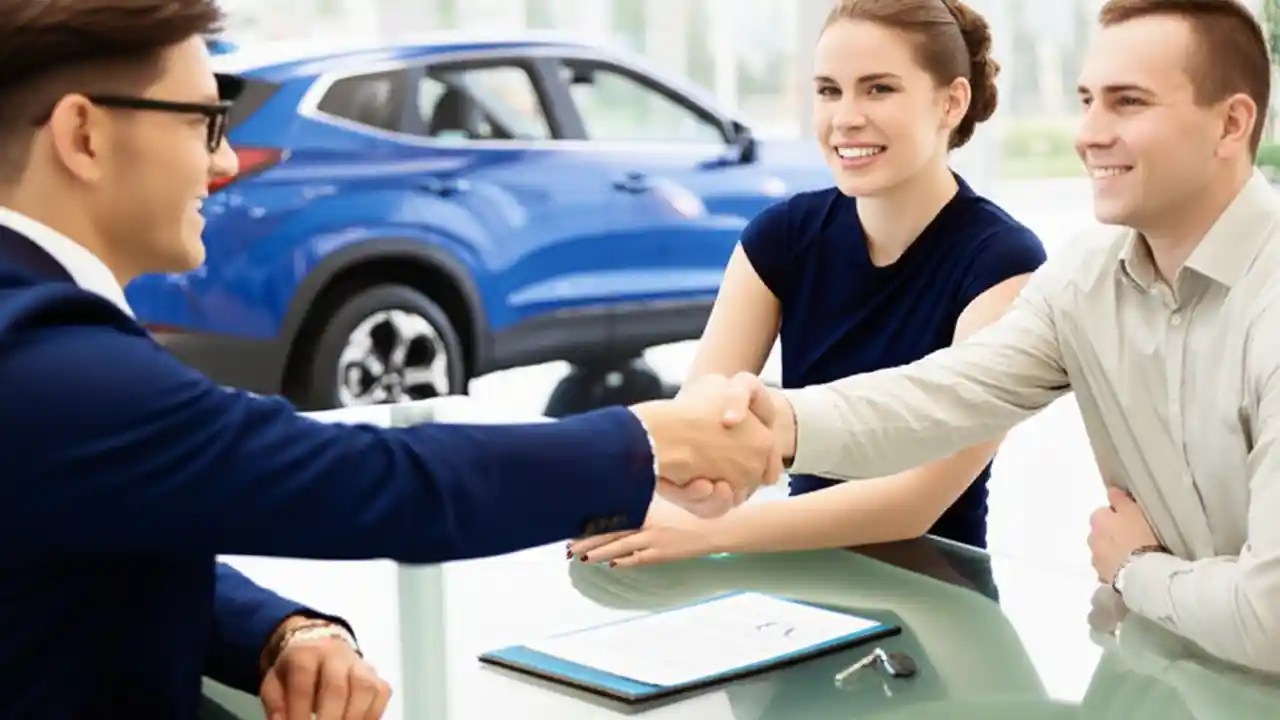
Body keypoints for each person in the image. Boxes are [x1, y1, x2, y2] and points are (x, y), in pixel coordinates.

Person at [0, 2, 779, 717]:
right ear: (84, 136)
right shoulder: (43, 358)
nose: (228, 162)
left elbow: (102, 522)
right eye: (207, 122)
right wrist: (654, 440)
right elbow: (385, 478)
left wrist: (277, 630)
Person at [719, 0, 1280, 674]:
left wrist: (1135, 569)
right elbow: (938, 396)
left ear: (1232, 123)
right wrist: (772, 422)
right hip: (1147, 674)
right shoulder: (1084, 283)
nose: (1089, 135)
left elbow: (1270, 618)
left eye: (1127, 103)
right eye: (1086, 102)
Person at [569, 0, 1045, 568]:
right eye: (828, 91)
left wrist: (707, 532)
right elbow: (701, 435)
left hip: (935, 588)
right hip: (795, 574)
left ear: (951, 101)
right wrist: (657, 497)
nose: (845, 117)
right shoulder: (782, 237)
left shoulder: (1003, 263)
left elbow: (915, 502)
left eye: (879, 89)